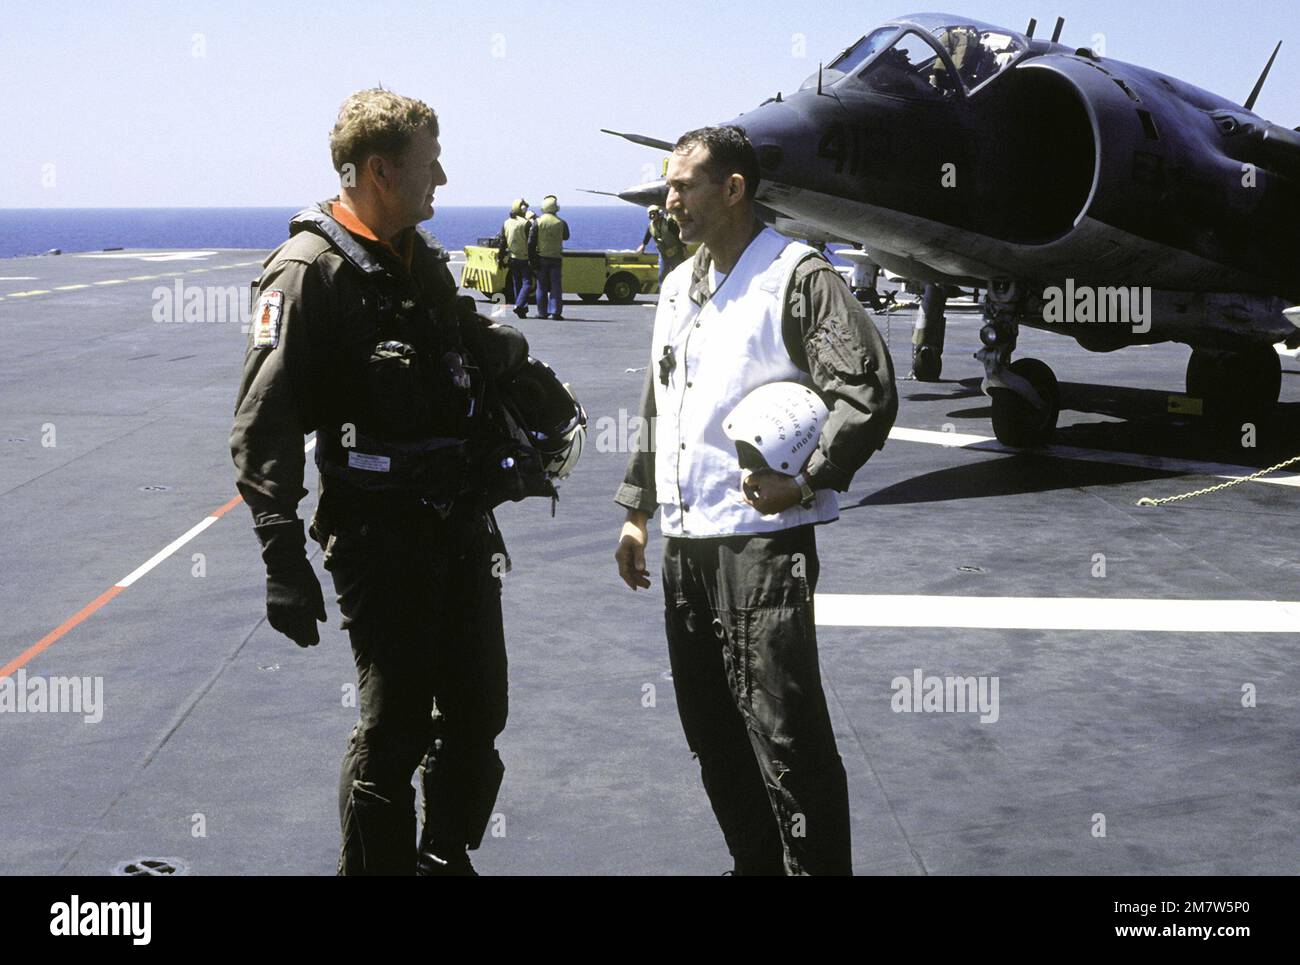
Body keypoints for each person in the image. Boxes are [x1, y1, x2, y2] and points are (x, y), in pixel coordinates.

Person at [230, 88, 533, 876]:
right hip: (379, 534)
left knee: (477, 709)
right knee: (394, 726)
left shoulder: (414, 260)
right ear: (379, 171)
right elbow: (263, 423)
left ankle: (444, 852)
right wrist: (282, 557)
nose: (442, 177)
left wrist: (509, 357)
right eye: (429, 164)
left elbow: (462, 338)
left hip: (456, 523)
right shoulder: (307, 273)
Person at [612, 125, 898, 875]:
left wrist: (806, 481)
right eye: (668, 186)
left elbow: (864, 390)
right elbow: (660, 400)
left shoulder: (797, 276)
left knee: (787, 738)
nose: (668, 199)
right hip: (686, 546)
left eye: (684, 186)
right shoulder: (678, 285)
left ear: (733, 189)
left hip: (761, 550)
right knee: (711, 730)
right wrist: (639, 513)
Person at [534, 195, 570, 320]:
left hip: (541, 257)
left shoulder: (537, 221)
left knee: (541, 286)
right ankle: (555, 312)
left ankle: (542, 312)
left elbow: (531, 241)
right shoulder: (561, 222)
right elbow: (566, 236)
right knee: (556, 286)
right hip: (556, 258)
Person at [502, 198, 536, 318]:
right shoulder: (525, 223)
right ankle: (519, 305)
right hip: (524, 258)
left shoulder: (506, 223)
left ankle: (521, 309)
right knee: (527, 283)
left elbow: (503, 242)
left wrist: (500, 258)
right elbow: (531, 242)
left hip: (512, 257)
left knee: (517, 283)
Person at [636, 204, 687, 286]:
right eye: (650, 214)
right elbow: (647, 236)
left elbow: (678, 236)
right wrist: (643, 246)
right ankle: (663, 295)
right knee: (662, 276)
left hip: (676, 252)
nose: (652, 215)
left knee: (679, 273)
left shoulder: (669, 223)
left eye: (654, 213)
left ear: (658, 213)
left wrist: (684, 249)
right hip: (663, 254)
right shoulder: (651, 226)